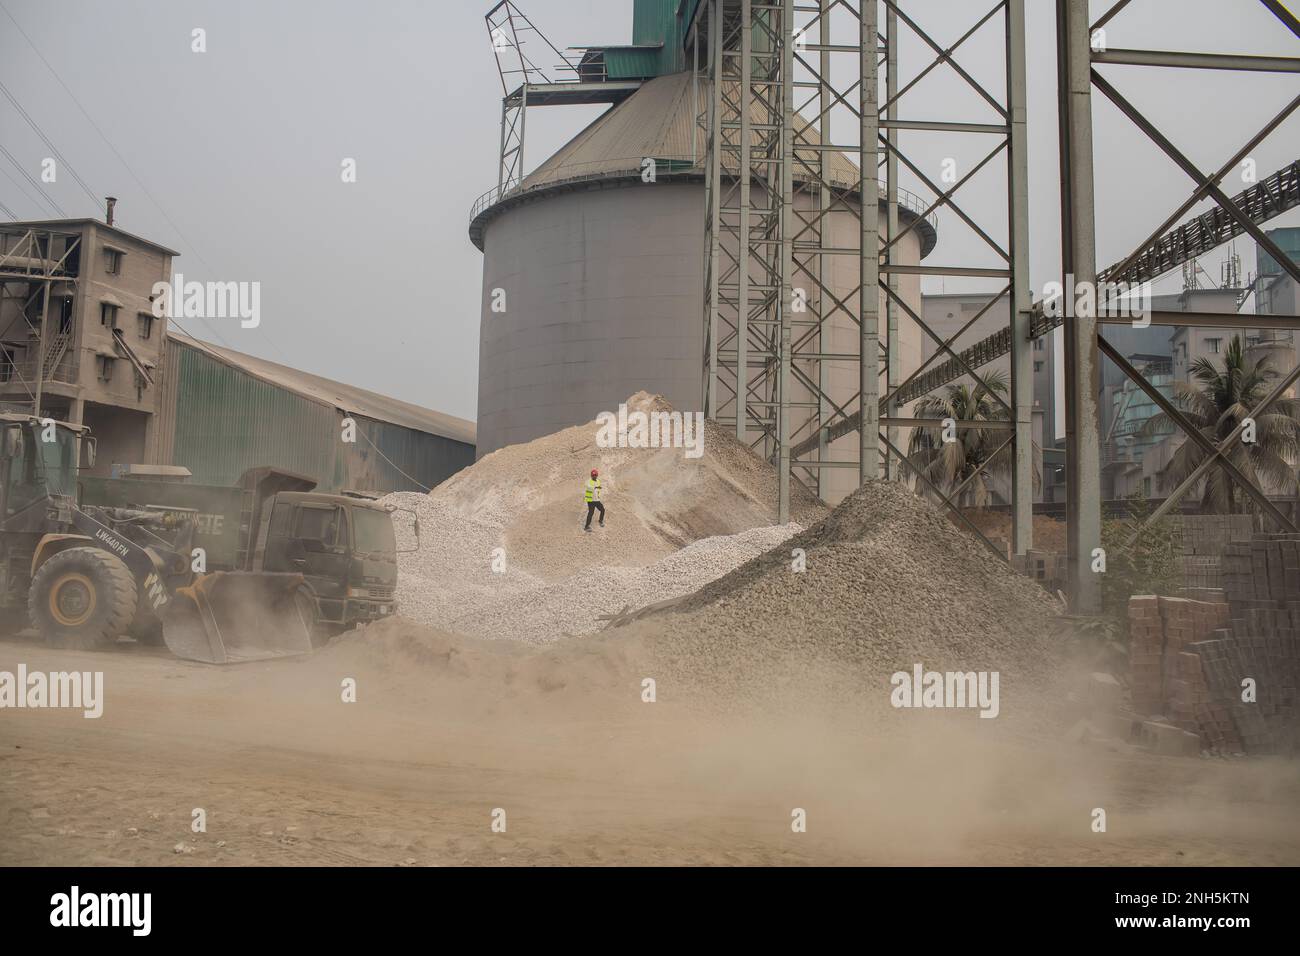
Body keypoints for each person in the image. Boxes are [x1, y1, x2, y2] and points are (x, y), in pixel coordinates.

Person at [583, 468, 605, 532]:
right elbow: (588, 486)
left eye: (595, 475)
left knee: (602, 510)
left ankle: (600, 521)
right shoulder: (588, 481)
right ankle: (586, 527)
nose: (594, 476)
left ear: (597, 475)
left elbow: (598, 489)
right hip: (591, 500)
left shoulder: (598, 481)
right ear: (591, 475)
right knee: (591, 513)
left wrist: (598, 492)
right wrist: (595, 487)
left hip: (597, 500)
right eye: (593, 475)